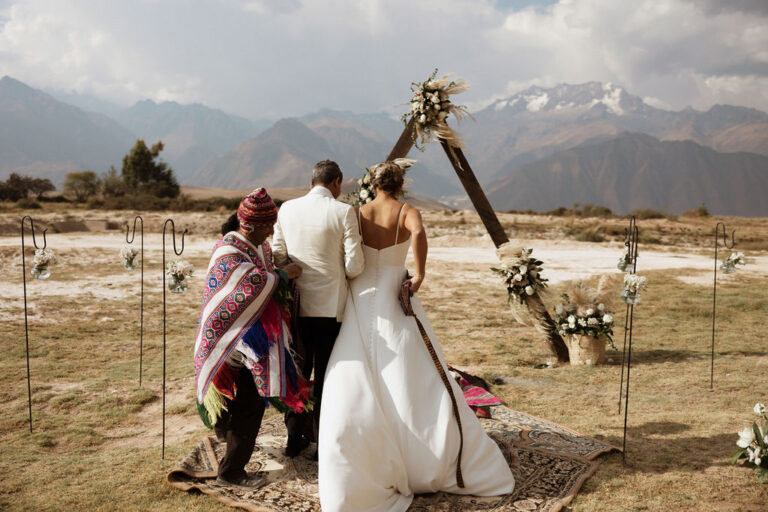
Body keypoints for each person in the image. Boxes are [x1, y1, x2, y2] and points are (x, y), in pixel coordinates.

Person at [318, 161, 515, 511]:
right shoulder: (407, 211)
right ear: (401, 184)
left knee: (358, 369)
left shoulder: (358, 211)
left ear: (371, 184)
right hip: (396, 289)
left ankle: (361, 452)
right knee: (411, 371)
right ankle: (422, 455)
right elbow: (419, 233)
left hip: (362, 295)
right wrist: (420, 274)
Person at [193, 188, 308, 490]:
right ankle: (231, 472)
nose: (272, 231)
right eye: (269, 225)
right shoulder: (229, 250)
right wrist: (284, 276)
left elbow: (260, 275)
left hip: (250, 339)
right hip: (230, 341)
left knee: (246, 401)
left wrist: (279, 273)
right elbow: (249, 284)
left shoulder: (258, 248)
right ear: (254, 225)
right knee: (250, 404)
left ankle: (228, 441)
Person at [272, 160, 365, 458]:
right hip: (330, 308)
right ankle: (323, 441)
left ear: (312, 181)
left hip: (296, 307)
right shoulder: (343, 212)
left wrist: (295, 272)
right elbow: (355, 265)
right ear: (336, 182)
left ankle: (292, 438)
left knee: (297, 373)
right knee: (327, 376)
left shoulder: (286, 209)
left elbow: (278, 255)